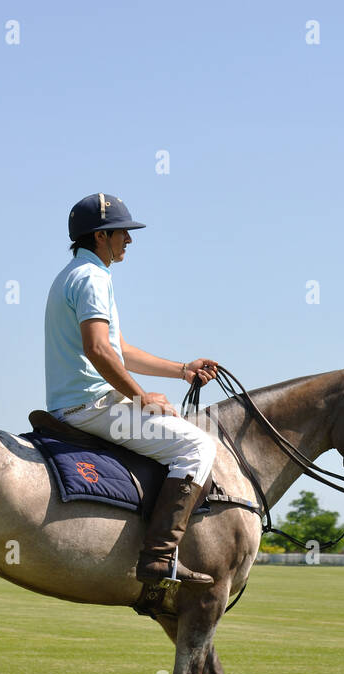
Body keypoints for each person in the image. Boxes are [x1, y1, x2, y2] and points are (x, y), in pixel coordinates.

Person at [44, 193, 221, 585]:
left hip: (76, 403)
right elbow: (98, 348)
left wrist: (181, 371)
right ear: (101, 236)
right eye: (123, 232)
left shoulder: (75, 273)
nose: (129, 240)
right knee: (199, 446)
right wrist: (142, 398)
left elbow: (119, 350)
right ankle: (159, 557)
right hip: (92, 405)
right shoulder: (92, 278)